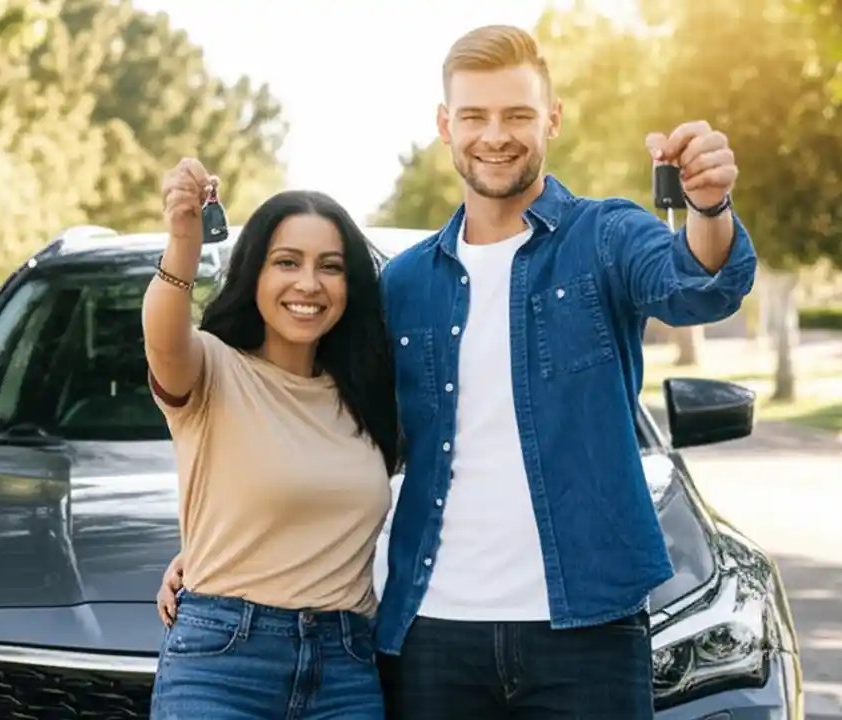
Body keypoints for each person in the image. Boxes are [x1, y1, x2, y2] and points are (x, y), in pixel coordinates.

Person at [158, 24, 756, 719]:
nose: (494, 135)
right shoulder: (404, 285)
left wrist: (708, 204)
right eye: (474, 116)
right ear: (446, 126)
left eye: (517, 115)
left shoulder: (606, 239)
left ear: (552, 120)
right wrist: (217, 554)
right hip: (430, 635)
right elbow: (327, 423)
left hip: (588, 629)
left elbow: (698, 283)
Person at [142, 160, 399, 719]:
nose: (308, 284)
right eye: (287, 263)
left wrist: (225, 539)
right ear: (254, 273)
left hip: (346, 667)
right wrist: (183, 240)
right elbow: (162, 337)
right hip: (222, 663)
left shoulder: (370, 394)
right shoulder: (212, 367)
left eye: (330, 267)